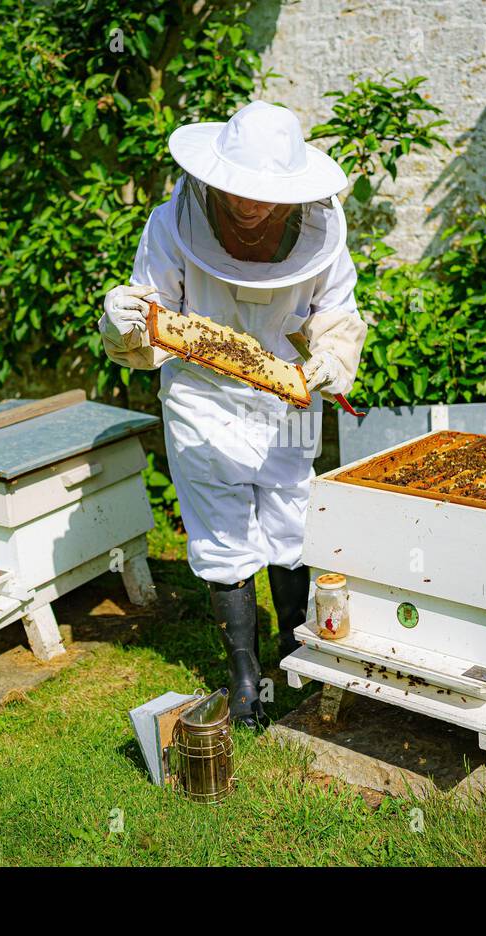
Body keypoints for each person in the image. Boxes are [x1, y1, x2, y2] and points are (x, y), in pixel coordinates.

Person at [99, 101, 367, 727]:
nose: (249, 207)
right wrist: (125, 321)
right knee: (222, 531)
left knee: (293, 518)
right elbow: (150, 322)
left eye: (265, 196)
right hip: (202, 394)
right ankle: (246, 675)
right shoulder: (172, 225)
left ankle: (295, 646)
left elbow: (336, 314)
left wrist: (328, 357)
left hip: (287, 390)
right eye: (238, 191)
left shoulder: (325, 231)